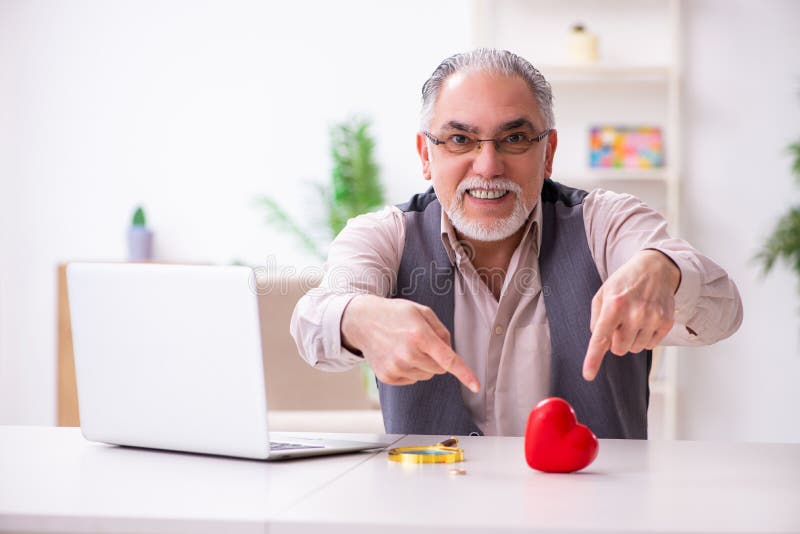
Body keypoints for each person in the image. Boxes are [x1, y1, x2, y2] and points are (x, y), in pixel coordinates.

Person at [290, 49, 742, 439]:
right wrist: (356, 317)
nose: (488, 166)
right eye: (460, 139)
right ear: (426, 155)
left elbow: (724, 311)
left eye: (515, 138)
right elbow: (313, 321)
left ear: (548, 153)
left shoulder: (605, 222)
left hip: (599, 504)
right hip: (429, 502)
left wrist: (663, 271)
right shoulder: (386, 234)